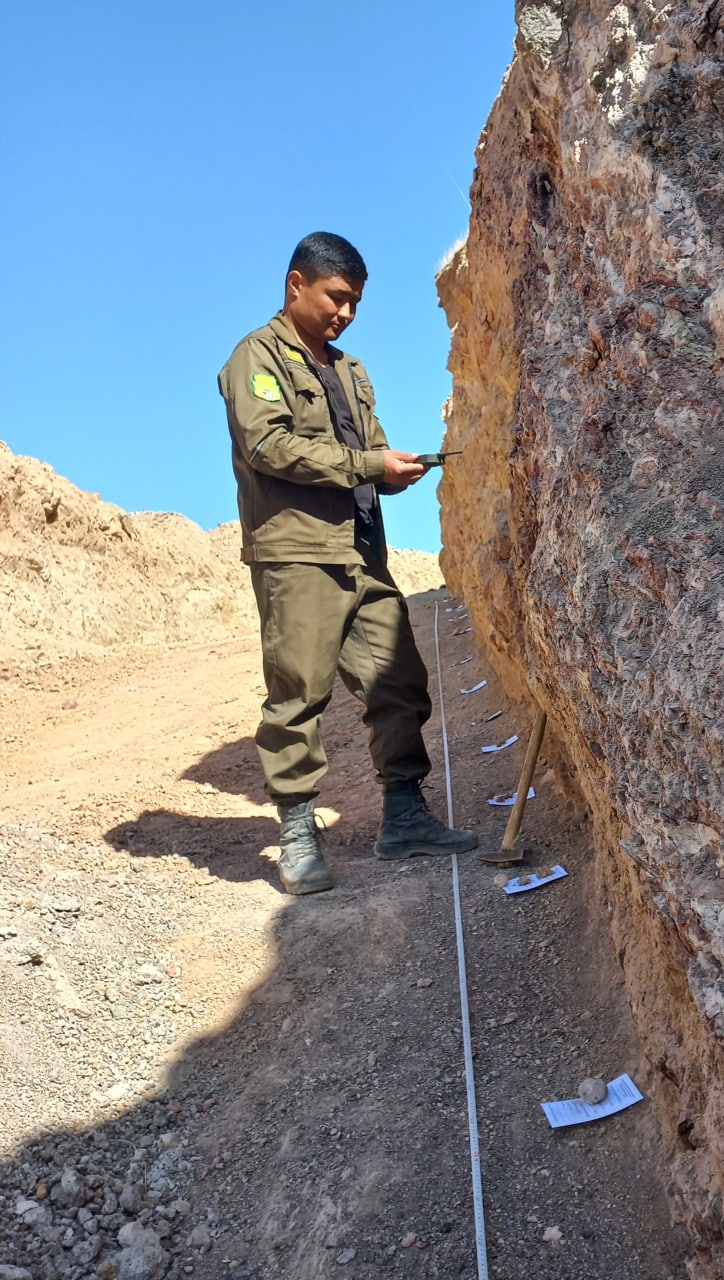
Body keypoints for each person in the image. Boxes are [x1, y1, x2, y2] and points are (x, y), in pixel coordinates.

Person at [218, 231, 476, 895]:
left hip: (361, 551)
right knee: (298, 692)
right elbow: (269, 447)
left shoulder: (350, 370)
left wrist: (396, 470)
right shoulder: (256, 357)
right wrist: (367, 464)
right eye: (337, 297)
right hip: (298, 552)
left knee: (398, 680)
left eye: (356, 302)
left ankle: (405, 817)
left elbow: (371, 450)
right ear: (296, 284)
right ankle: (297, 832)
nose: (347, 313)